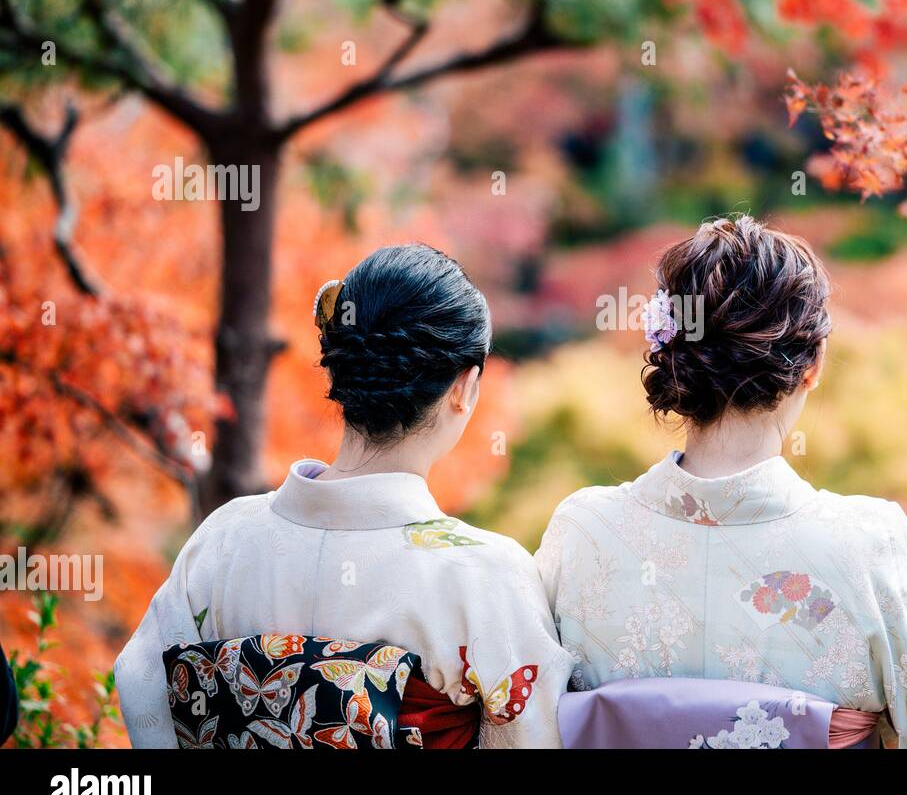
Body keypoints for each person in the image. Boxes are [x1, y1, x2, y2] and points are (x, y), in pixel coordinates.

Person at [116, 244, 573, 748]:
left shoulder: (223, 541)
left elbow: (142, 686)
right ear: (464, 389)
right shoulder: (486, 575)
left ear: (338, 370)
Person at [537, 216, 907, 748]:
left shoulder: (583, 531)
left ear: (672, 352)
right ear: (814, 365)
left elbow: (525, 723)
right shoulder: (870, 543)